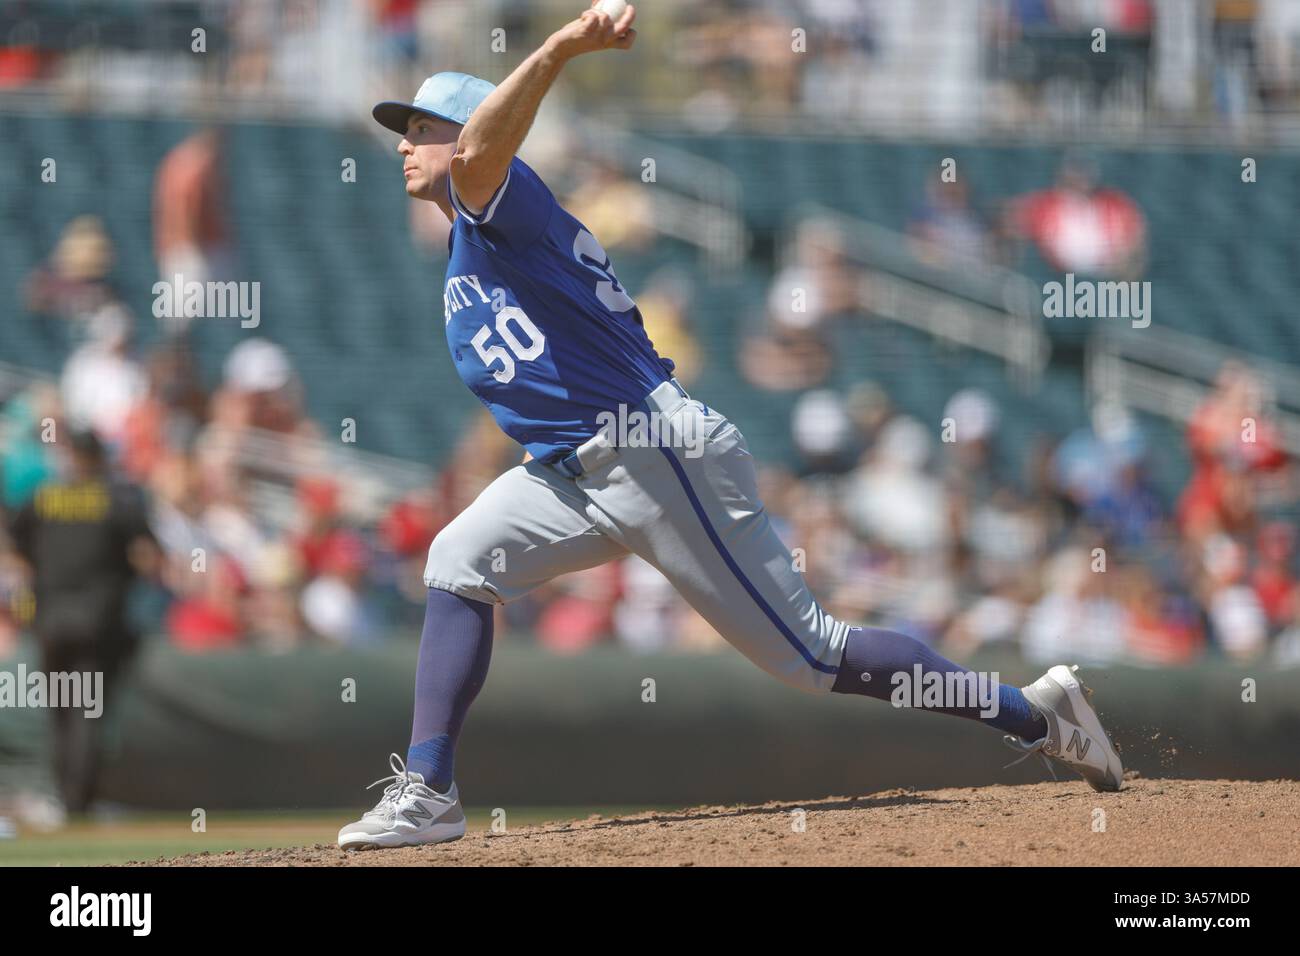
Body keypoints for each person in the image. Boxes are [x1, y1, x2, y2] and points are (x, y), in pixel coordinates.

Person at [339, 2, 1125, 851]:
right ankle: (430, 791)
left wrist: (562, 45)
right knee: (457, 560)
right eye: (403, 128)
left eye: (422, 127)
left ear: (466, 136)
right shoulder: (470, 250)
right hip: (573, 474)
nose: (402, 143)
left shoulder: (507, 201)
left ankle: (1038, 716)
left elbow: (488, 151)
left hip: (649, 451)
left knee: (815, 658)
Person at [7, 430, 157, 815]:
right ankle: (77, 802)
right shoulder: (116, 499)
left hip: (50, 620)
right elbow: (147, 554)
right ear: (99, 458)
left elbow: (15, 545)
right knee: (87, 713)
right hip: (97, 623)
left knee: (60, 709)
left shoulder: (43, 498)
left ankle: (63, 796)